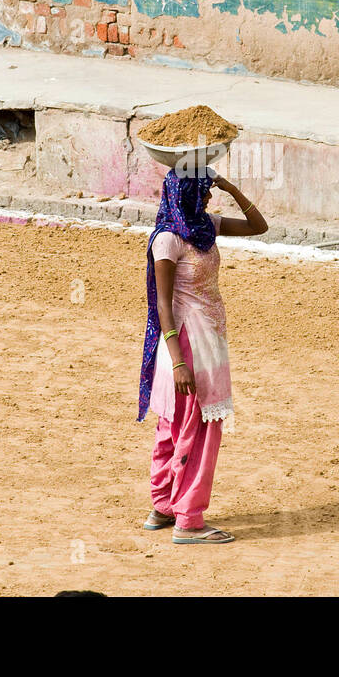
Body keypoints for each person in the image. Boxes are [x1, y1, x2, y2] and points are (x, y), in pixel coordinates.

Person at [137, 166, 267, 543]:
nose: (209, 198)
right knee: (196, 429)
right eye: (203, 191)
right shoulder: (168, 240)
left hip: (206, 341)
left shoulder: (204, 225)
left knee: (175, 426)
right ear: (184, 195)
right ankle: (189, 520)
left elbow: (259, 227)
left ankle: (163, 506)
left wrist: (229, 185)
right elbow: (162, 304)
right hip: (187, 346)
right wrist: (178, 362)